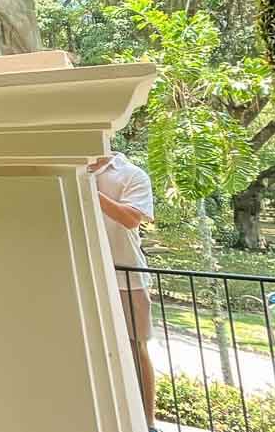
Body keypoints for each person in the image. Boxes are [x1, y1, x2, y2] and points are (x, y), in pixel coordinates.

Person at [90, 151, 158, 432]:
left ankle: (147, 423)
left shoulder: (131, 174)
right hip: (86, 271)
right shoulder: (71, 167)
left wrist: (88, 190)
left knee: (135, 347)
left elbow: (131, 218)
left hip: (127, 277)